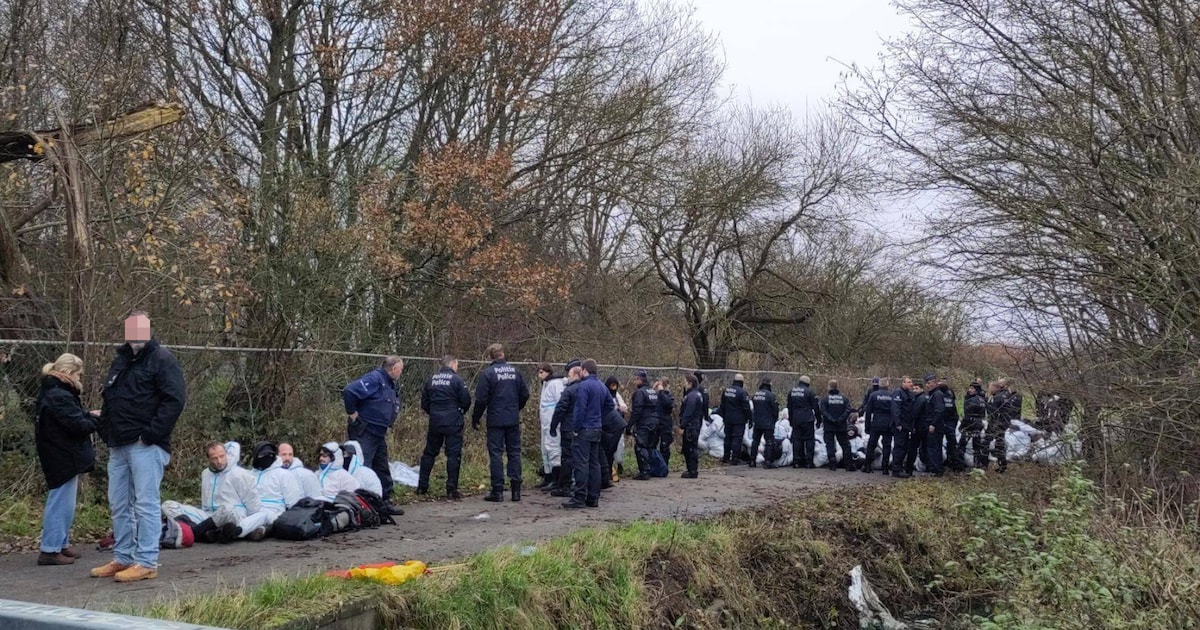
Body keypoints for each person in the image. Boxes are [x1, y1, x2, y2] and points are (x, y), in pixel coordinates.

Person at [92, 311, 186, 583]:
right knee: (119, 503)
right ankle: (123, 557)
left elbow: (175, 400)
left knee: (145, 504)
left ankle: (146, 561)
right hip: (118, 445)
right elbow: (110, 397)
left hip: (145, 445)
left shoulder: (162, 359)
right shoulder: (120, 360)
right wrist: (106, 429)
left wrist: (151, 434)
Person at [35, 353, 98, 566]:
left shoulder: (54, 393)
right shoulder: (59, 396)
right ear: (68, 373)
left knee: (65, 502)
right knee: (60, 502)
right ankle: (50, 548)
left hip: (60, 453)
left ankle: (60, 543)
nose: (80, 378)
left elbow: (73, 419)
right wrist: (95, 418)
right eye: (78, 374)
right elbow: (78, 425)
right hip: (62, 455)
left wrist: (87, 415)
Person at [343, 356, 405, 515]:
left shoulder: (389, 383)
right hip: (365, 432)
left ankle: (384, 502)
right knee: (362, 468)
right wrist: (353, 414)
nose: (401, 372)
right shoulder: (375, 379)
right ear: (393, 368)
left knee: (382, 468)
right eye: (400, 368)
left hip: (379, 432)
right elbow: (350, 391)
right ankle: (359, 505)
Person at [472, 343, 531, 502]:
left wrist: (475, 418)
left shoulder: (488, 373)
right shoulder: (515, 372)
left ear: (491, 356)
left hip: (495, 419)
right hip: (512, 418)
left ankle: (497, 491)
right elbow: (525, 394)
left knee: (496, 453)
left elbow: (481, 399)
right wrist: (516, 407)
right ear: (503, 354)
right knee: (514, 452)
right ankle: (516, 490)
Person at [183, 441, 269, 544]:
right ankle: (213, 533)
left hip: (233, 515)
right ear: (209, 459)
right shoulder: (205, 474)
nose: (219, 461)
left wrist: (248, 521)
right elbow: (205, 503)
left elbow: (253, 505)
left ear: (226, 454)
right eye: (214, 458)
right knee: (169, 506)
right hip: (209, 516)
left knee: (226, 509)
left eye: (222, 456)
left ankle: (196, 532)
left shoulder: (239, 474)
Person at [417, 356, 472, 499]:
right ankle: (451, 489)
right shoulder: (457, 380)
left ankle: (422, 486)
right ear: (452, 364)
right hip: (453, 422)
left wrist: (434, 412)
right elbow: (466, 400)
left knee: (429, 453)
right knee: (453, 455)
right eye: (457, 364)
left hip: (435, 421)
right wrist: (459, 412)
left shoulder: (432, 380)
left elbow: (424, 403)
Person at [562, 359, 612, 509]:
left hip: (584, 429)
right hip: (597, 428)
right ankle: (593, 497)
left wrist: (576, 427)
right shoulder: (602, 386)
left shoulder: (584, 386)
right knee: (594, 463)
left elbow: (580, 409)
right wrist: (598, 417)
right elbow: (610, 405)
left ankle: (579, 496)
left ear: (584, 370)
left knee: (581, 463)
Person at [248, 441, 303, 530]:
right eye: (262, 455)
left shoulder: (283, 474)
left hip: (274, 512)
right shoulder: (249, 475)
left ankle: (238, 531)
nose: (266, 458)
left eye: (270, 455)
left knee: (263, 516)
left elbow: (294, 501)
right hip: (251, 510)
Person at [548, 362, 582, 497]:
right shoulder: (587, 389)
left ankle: (565, 486)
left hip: (568, 427)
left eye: (569, 375)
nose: (567, 378)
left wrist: (553, 426)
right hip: (584, 428)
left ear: (576, 375)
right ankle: (580, 485)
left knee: (567, 457)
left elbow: (560, 409)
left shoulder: (569, 390)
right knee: (582, 458)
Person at [536, 363, 567, 490]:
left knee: (554, 449)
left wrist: (556, 421)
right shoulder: (545, 384)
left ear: (548, 372)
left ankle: (556, 479)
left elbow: (561, 403)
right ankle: (548, 476)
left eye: (542, 372)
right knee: (545, 450)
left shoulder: (555, 384)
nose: (540, 375)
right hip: (545, 423)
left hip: (553, 423)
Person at [628, 369, 660, 480]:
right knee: (649, 446)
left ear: (639, 379)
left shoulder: (640, 393)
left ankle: (644, 471)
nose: (634, 382)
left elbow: (637, 410)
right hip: (654, 422)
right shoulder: (652, 391)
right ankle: (650, 468)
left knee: (641, 446)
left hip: (644, 423)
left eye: (635, 379)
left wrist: (629, 425)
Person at [862, 377, 896, 474]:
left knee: (871, 445)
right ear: (888, 385)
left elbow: (868, 412)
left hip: (876, 422)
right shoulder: (892, 395)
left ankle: (867, 466)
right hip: (888, 423)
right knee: (887, 446)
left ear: (879, 384)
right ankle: (885, 468)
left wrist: (867, 426)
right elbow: (895, 411)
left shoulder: (873, 395)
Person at [718, 374, 752, 465]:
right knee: (737, 439)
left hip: (728, 419)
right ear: (742, 382)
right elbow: (746, 407)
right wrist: (750, 419)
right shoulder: (742, 392)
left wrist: (724, 417)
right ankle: (734, 459)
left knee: (728, 438)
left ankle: (726, 457)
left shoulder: (726, 391)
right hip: (739, 420)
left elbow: (722, 406)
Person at [819, 380, 853, 471]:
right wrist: (841, 419)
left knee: (830, 444)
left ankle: (832, 464)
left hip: (829, 425)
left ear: (829, 387)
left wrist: (831, 419)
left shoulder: (825, 399)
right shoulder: (844, 399)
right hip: (841, 425)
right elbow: (848, 410)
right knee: (845, 445)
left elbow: (823, 412)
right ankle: (848, 464)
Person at [787, 375, 819, 468]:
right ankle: (809, 462)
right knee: (809, 440)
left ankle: (797, 461)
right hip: (807, 418)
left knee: (797, 440)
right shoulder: (810, 392)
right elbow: (815, 407)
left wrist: (791, 419)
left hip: (796, 418)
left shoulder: (792, 391)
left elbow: (789, 407)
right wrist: (819, 419)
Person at [890, 376, 919, 478]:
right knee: (899, 447)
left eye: (911, 382)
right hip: (900, 426)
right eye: (909, 382)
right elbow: (895, 409)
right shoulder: (898, 393)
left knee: (905, 447)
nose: (911, 384)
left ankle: (901, 468)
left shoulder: (910, 394)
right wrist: (898, 423)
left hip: (907, 425)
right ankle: (896, 470)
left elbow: (911, 411)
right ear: (903, 383)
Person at [601, 375, 628, 485]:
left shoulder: (617, 396)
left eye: (615, 386)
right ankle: (607, 474)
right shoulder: (604, 394)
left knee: (615, 449)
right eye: (611, 385)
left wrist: (621, 408)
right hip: (606, 427)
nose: (613, 388)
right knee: (606, 451)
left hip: (616, 426)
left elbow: (623, 406)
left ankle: (616, 467)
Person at [678, 374, 705, 478]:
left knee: (690, 448)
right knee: (690, 448)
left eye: (685, 382)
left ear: (690, 383)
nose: (684, 384)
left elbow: (688, 413)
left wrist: (682, 426)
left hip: (690, 426)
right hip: (694, 424)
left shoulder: (692, 396)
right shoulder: (697, 394)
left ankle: (692, 470)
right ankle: (691, 469)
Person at [918, 375, 945, 476]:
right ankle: (936, 469)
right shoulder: (933, 394)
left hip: (935, 426)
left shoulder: (937, 395)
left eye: (929, 383)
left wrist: (933, 424)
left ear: (934, 383)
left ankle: (936, 470)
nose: (927, 385)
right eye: (926, 383)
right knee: (933, 447)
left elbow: (939, 410)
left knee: (934, 448)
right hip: (932, 424)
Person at [749, 377, 780, 468]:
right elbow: (775, 409)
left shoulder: (755, 395)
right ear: (769, 384)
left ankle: (752, 460)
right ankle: (767, 461)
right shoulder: (771, 395)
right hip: (768, 422)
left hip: (757, 422)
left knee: (755, 441)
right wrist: (774, 419)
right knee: (769, 442)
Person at [959, 384, 988, 469]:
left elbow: (967, 414)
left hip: (969, 425)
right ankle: (977, 464)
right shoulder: (982, 400)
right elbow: (983, 414)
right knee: (977, 446)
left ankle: (960, 465)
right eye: (969, 388)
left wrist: (962, 426)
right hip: (978, 424)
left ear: (976, 390)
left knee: (962, 445)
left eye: (972, 388)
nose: (969, 390)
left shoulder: (971, 400)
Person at [654, 378, 676, 468]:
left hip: (665, 423)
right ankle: (655, 465)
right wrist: (653, 389)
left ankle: (664, 466)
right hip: (656, 422)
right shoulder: (656, 395)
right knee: (653, 444)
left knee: (665, 445)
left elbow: (668, 404)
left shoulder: (668, 396)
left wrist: (661, 392)